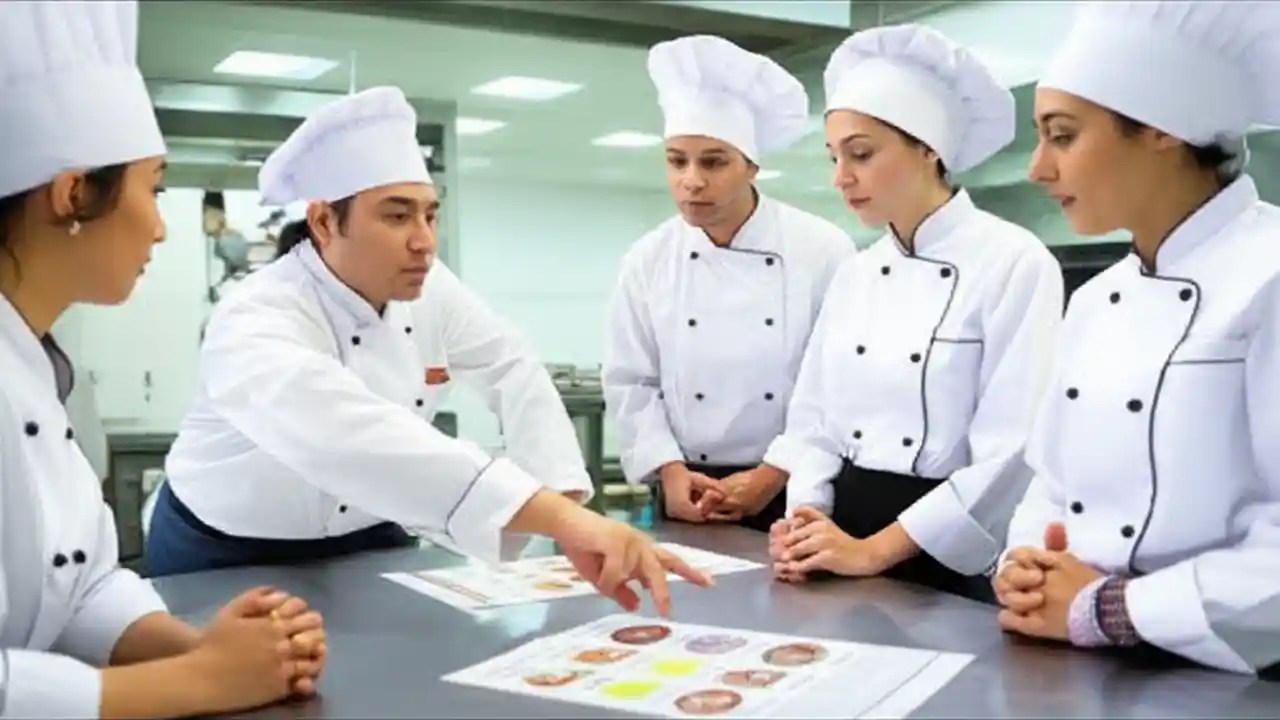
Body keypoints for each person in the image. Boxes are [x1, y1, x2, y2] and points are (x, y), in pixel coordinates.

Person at [147, 85, 710, 614]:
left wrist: (564, 500)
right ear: (323, 221)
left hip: (369, 537)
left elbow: (509, 365)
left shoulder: (428, 285)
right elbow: (349, 436)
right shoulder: (256, 317)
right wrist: (559, 518)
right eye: (396, 216)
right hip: (226, 552)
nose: (423, 240)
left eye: (429, 214)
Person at [0, 2, 326, 717]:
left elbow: (80, 584)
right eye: (155, 188)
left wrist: (202, 648)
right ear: (73, 193)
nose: (158, 226)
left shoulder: (34, 363)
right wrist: (200, 683)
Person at [995, 0, 1280, 676]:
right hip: (1085, 656)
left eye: (1061, 136)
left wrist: (1110, 609)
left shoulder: (1270, 277)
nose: (1037, 168)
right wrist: (1026, 564)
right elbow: (1052, 484)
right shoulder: (1093, 301)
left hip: (1239, 675)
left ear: (1162, 130)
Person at [766, 24, 1064, 603]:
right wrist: (806, 517)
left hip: (943, 548)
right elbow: (815, 422)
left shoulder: (1014, 262)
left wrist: (874, 550)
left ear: (930, 150)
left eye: (862, 154)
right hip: (844, 530)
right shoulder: (857, 270)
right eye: (835, 157)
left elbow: (1011, 453)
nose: (840, 178)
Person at [603, 35, 854, 533]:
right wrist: (669, 471)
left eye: (713, 161)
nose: (692, 180)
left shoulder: (822, 250)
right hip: (686, 490)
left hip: (796, 487)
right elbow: (631, 381)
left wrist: (772, 474)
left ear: (752, 165)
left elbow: (837, 385)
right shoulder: (648, 259)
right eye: (677, 160)